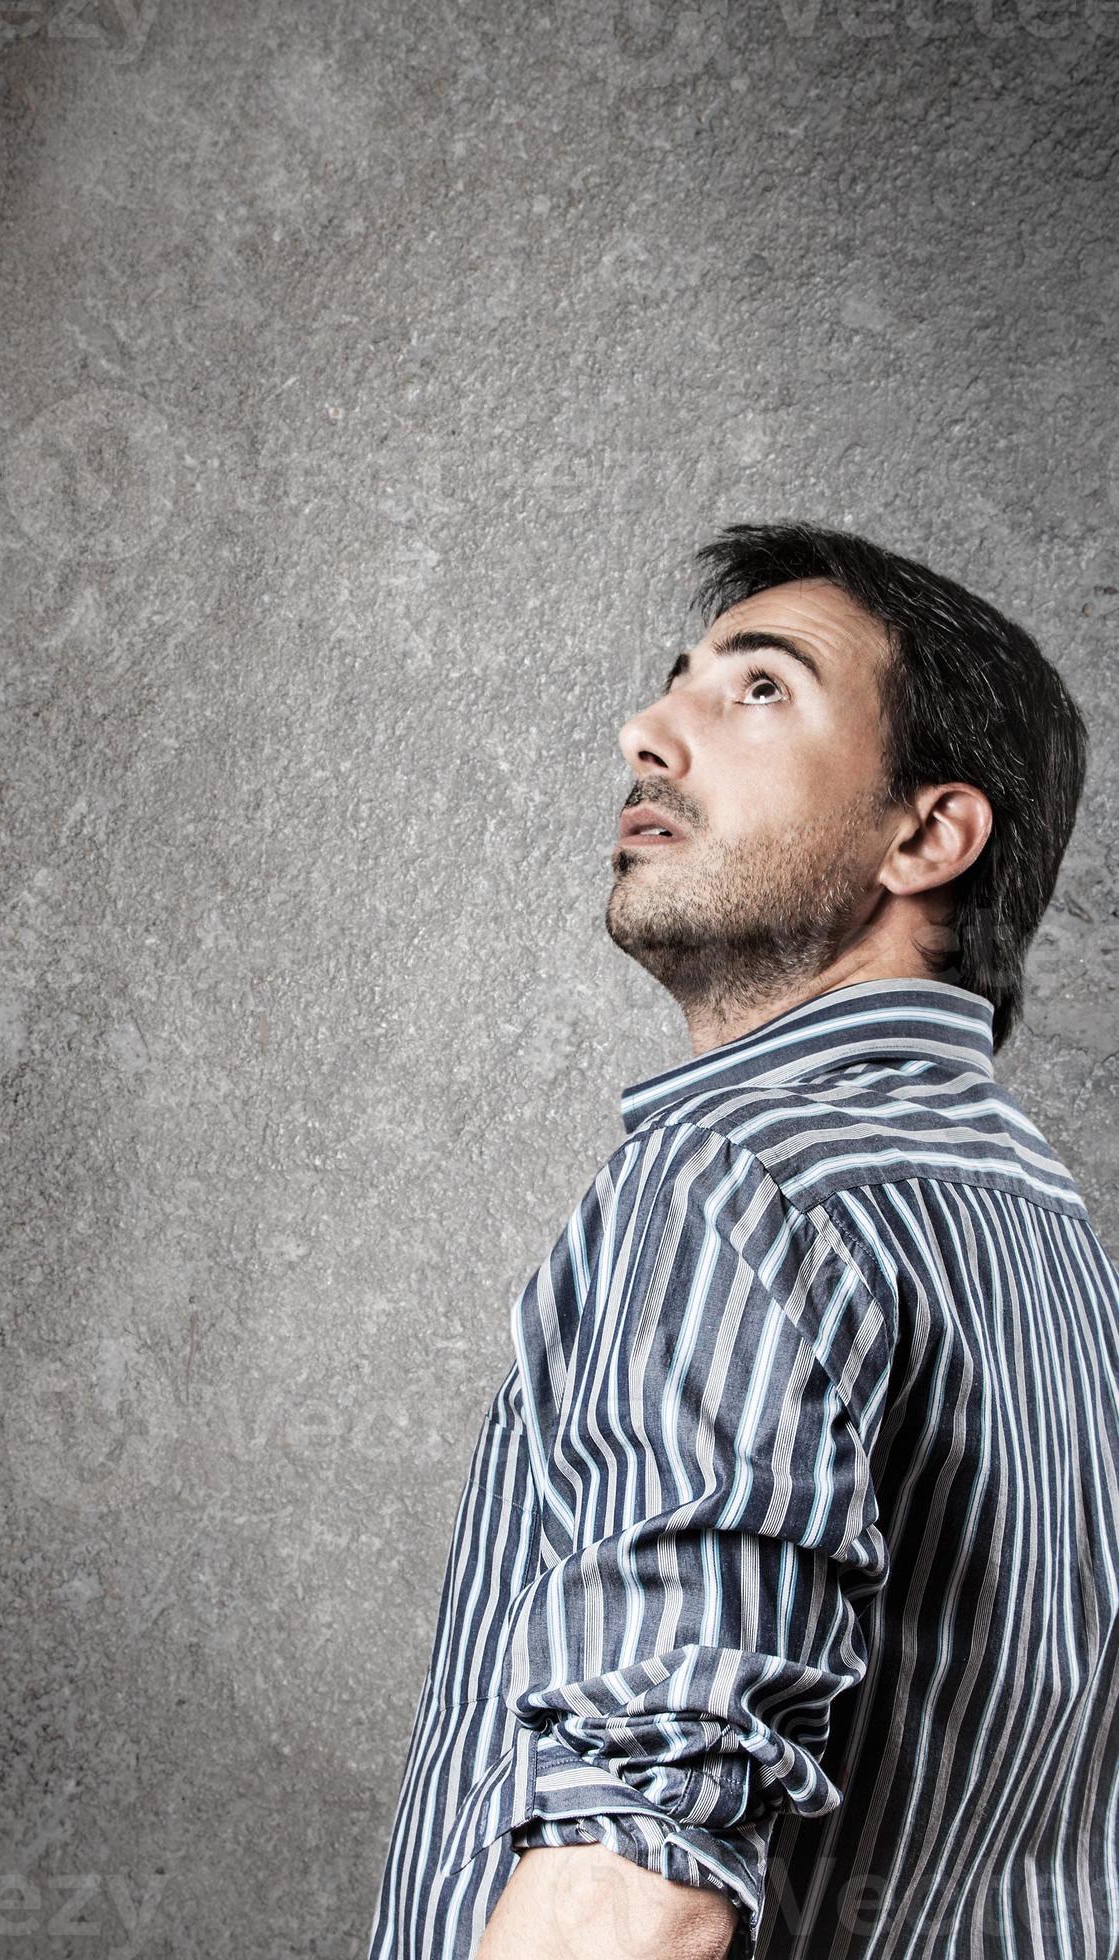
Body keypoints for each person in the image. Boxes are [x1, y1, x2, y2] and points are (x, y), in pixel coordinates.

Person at [364, 521, 1117, 1959]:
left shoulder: (738, 1182)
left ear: (926, 836)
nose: (647, 733)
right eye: (677, 682)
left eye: (760, 688)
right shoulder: (1051, 1236)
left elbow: (637, 1886)